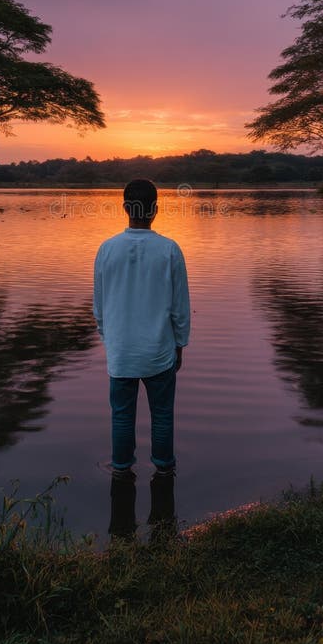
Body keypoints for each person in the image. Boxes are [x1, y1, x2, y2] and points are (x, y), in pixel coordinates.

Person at [93, 179, 190, 475]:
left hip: (121, 352)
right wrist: (180, 344)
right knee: (162, 416)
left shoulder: (106, 249)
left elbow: (99, 307)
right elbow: (180, 308)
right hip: (159, 351)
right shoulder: (170, 250)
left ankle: (121, 471)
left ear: (125, 208)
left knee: (121, 417)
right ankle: (164, 471)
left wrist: (110, 340)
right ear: (156, 210)